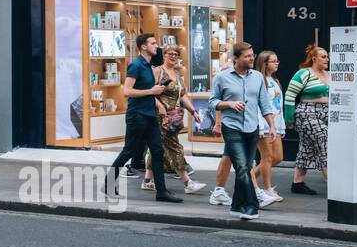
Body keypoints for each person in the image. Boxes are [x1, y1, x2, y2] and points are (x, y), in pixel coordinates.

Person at [209, 41, 277, 221]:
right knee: (242, 166)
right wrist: (229, 104)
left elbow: (264, 104)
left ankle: (236, 205)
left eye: (252, 55)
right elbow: (212, 102)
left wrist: (271, 125)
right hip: (232, 127)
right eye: (247, 56)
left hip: (252, 127)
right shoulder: (222, 77)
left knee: (245, 167)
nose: (251, 58)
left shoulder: (257, 77)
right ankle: (251, 206)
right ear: (236, 59)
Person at [109, 34, 181, 202]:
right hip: (137, 115)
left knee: (157, 151)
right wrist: (151, 92)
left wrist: (159, 106)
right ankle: (108, 184)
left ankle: (161, 192)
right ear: (143, 47)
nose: (157, 46)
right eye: (153, 43)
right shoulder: (136, 65)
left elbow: (151, 91)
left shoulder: (149, 66)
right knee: (129, 151)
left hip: (150, 115)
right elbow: (127, 91)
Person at [143, 46, 206, 194]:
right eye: (170, 54)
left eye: (176, 54)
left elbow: (182, 95)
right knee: (175, 147)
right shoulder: (158, 71)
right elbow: (149, 92)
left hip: (174, 117)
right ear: (164, 55)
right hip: (161, 118)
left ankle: (147, 181)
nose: (173, 56)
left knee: (157, 148)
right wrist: (160, 107)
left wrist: (193, 111)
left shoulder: (177, 74)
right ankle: (187, 182)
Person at [285, 44, 330, 195]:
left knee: (307, 148)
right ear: (314, 58)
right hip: (307, 113)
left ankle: (297, 183)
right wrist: (289, 119)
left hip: (326, 113)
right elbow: (290, 96)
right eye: (323, 57)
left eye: (327, 56)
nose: (327, 59)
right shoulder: (304, 73)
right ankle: (333, 182)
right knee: (324, 140)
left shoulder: (329, 74)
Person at [251, 50, 285, 207]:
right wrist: (261, 125)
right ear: (265, 63)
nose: (277, 63)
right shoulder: (260, 80)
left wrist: (281, 126)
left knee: (278, 157)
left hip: (275, 124)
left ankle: (249, 176)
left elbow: (279, 105)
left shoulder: (275, 80)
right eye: (273, 61)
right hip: (264, 125)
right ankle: (268, 189)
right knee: (267, 158)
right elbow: (258, 105)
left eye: (277, 61)